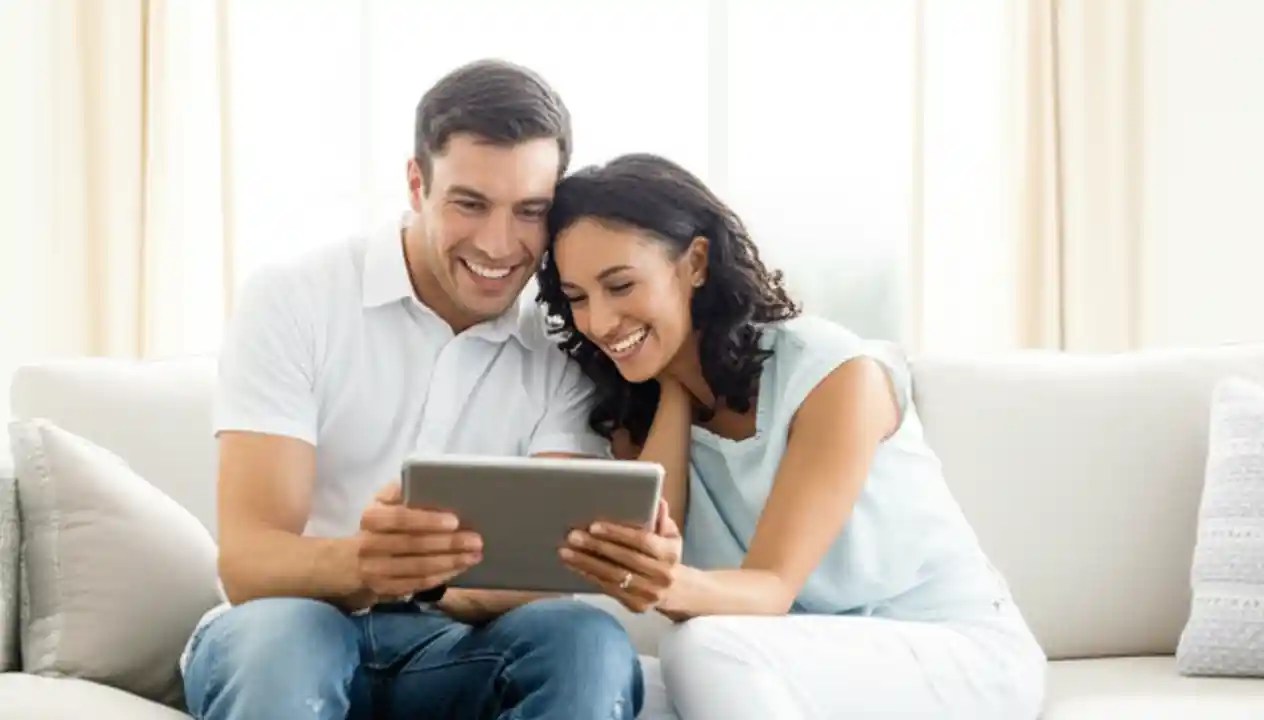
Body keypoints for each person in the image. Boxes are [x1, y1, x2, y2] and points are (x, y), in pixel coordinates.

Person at [181, 60, 656, 720]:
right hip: (290, 627)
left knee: (587, 644)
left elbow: (543, 572)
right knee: (286, 643)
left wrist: (448, 580)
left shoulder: (562, 349)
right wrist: (364, 564)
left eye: (530, 212)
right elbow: (250, 562)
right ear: (416, 182)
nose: (499, 243)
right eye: (470, 203)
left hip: (457, 643)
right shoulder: (294, 300)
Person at [537, 154, 1048, 719]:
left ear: (696, 263)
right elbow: (664, 543)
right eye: (578, 298)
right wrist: (675, 390)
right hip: (798, 658)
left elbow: (768, 589)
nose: (601, 322)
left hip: (954, 653)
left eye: (621, 285)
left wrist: (662, 583)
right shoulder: (642, 411)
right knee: (614, 680)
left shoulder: (832, 373)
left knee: (703, 650)